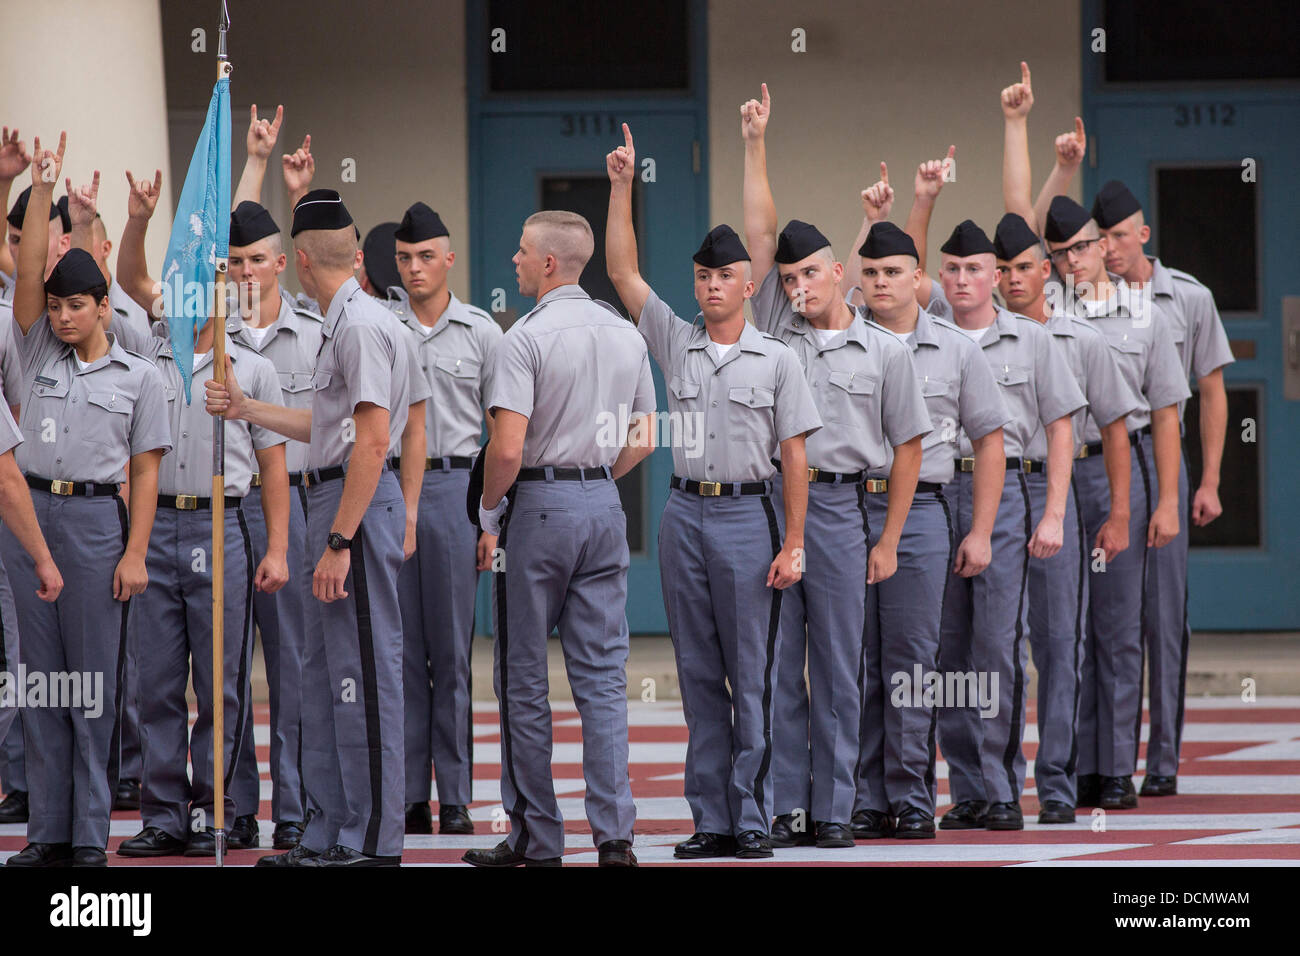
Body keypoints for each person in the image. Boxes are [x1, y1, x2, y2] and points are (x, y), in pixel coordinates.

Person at [607, 124, 822, 860]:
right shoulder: (677, 341)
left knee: (755, 674)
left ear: (749, 284)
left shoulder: (777, 358)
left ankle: (755, 815)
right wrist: (621, 186)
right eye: (702, 277)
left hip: (749, 516)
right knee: (698, 673)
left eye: (723, 276)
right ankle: (713, 820)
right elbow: (624, 275)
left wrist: (794, 542)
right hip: (685, 514)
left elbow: (795, 458)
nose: (710, 287)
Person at [738, 85, 929, 848]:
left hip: (848, 514)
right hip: (780, 515)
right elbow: (759, 236)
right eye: (787, 281)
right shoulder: (776, 336)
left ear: (836, 273)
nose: (796, 288)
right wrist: (755, 145)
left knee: (841, 672)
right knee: (781, 667)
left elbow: (910, 445)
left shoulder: (884, 352)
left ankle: (835, 809)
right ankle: (787, 803)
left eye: (809, 276)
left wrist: (889, 538)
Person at [207, 188, 414, 867]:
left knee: (364, 678)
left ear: (298, 259)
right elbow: (331, 428)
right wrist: (247, 407)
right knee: (325, 679)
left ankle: (371, 839)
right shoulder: (345, 318)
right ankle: (327, 831)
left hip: (350, 508)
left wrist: (338, 541)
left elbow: (373, 442)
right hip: (333, 496)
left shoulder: (356, 326)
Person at [460, 203, 653, 869]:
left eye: (520, 250)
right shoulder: (626, 334)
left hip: (537, 508)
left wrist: (486, 516)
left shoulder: (526, 339)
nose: (513, 259)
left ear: (547, 263)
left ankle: (537, 838)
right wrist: (597, 477)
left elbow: (506, 451)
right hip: (602, 503)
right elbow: (646, 436)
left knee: (523, 678)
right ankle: (616, 837)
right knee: (602, 678)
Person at [108, 170, 290, 857]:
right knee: (155, 682)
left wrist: (276, 547)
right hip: (157, 530)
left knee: (223, 683)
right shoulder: (150, 354)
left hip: (224, 524)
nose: (184, 291)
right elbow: (126, 282)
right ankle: (163, 814)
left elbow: (273, 468)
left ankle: (229, 807)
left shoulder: (252, 366)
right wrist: (138, 220)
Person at [3, 134, 170, 868]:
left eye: (78, 305)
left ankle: (89, 838)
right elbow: (29, 276)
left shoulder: (140, 378)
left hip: (100, 525)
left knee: (93, 689)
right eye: (57, 306)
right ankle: (48, 833)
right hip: (33, 522)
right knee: (40, 683)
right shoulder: (37, 349)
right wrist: (41, 189)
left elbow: (144, 473)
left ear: (104, 306)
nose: (64, 316)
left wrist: (135, 552)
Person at [850, 216, 1012, 840]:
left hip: (922, 512)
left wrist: (983, 531)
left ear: (918, 279)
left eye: (893, 272)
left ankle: (912, 795)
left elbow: (991, 443)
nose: (881, 283)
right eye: (870, 273)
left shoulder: (956, 348)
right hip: (847, 508)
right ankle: (865, 797)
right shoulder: (841, 341)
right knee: (855, 657)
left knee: (914, 660)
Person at [932, 219, 1085, 832]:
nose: (964, 279)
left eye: (976, 269)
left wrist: (1053, 513)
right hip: (939, 494)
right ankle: (966, 786)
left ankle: (1002, 789)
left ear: (997, 277)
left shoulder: (1031, 340)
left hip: (1010, 493)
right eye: (953, 268)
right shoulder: (928, 339)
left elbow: (1060, 428)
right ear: (939, 278)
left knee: (997, 646)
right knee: (945, 652)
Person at [1041, 195, 1189, 810]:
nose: (1071, 260)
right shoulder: (1042, 315)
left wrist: (1168, 502)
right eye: (1059, 253)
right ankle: (1075, 764)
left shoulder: (1145, 316)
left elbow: (1165, 415)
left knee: (1118, 626)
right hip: (1055, 479)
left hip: (1116, 473)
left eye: (1080, 246)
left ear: (1104, 246)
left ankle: (1115, 769)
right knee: (1065, 629)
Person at [993, 212, 1140, 822]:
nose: (1011, 278)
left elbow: (1114, 430)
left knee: (1061, 641)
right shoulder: (978, 335)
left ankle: (1057, 781)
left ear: (1046, 270)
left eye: (1024, 265)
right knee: (995, 647)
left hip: (1067, 486)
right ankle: (995, 788)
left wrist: (1121, 513)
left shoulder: (1083, 340)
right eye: (1002, 269)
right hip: (997, 493)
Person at [1091, 179, 1234, 798]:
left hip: (1160, 455)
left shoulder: (1188, 299)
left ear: (1143, 235)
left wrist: (1207, 482)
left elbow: (1211, 391)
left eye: (1120, 236)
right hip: (1104, 459)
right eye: (1100, 239)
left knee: (1164, 618)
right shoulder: (1085, 301)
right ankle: (1111, 757)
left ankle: (1165, 759)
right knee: (1112, 618)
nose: (1111, 248)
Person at [390, 201, 502, 836]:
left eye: (426, 256)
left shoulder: (482, 331)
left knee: (452, 654)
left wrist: (490, 521)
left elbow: (500, 430)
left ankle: (454, 794)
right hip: (392, 492)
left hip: (458, 491)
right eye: (404, 258)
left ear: (449, 259)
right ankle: (409, 793)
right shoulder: (381, 325)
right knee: (402, 652)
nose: (414, 268)